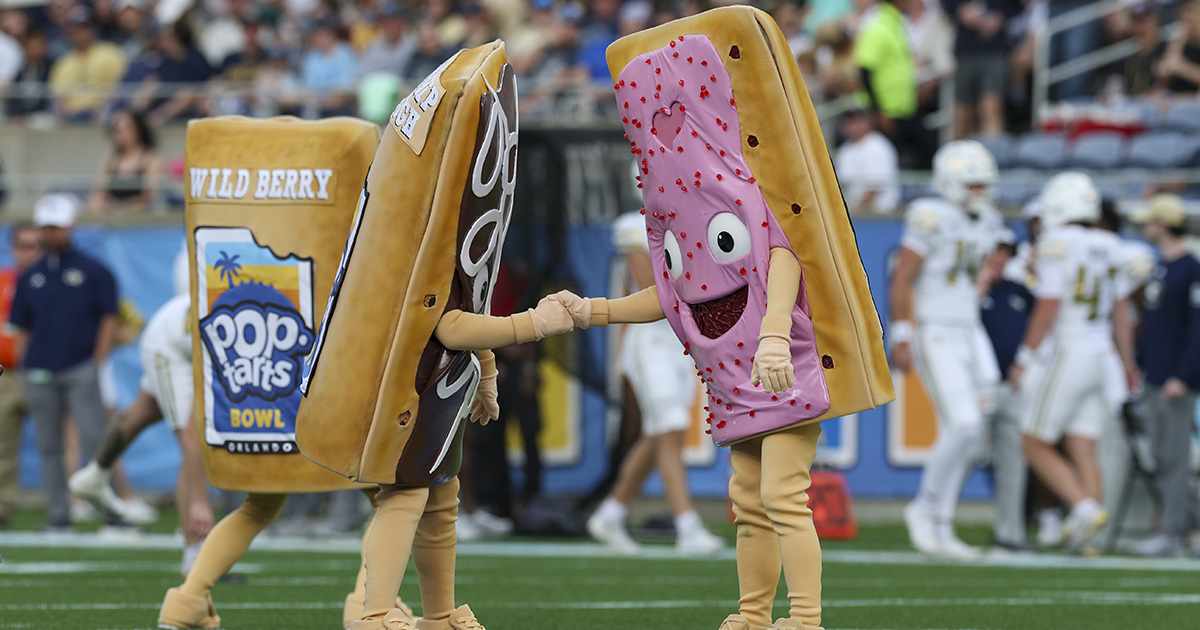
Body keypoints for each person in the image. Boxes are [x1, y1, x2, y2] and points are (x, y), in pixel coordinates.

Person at [1008, 172, 1138, 555]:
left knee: (1032, 442)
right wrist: (1127, 360)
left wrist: (1024, 356)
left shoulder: (1056, 242)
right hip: (1102, 357)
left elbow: (1049, 305)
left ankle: (1084, 508)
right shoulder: (1111, 244)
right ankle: (1091, 539)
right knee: (1083, 446)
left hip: (1070, 352)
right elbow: (1120, 309)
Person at [889, 140, 1005, 559]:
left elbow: (979, 272)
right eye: (972, 185)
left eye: (982, 185)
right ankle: (923, 508)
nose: (980, 192)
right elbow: (902, 279)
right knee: (965, 425)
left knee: (978, 434)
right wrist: (902, 333)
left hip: (970, 330)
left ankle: (942, 522)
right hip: (936, 328)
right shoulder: (930, 215)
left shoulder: (988, 221)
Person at [585, 210, 725, 556]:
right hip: (651, 342)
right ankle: (687, 525)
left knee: (658, 434)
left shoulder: (691, 214)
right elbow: (654, 289)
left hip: (681, 342)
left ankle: (610, 513)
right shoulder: (635, 225)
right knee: (670, 429)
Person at [69, 294, 214, 573]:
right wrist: (200, 502)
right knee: (193, 434)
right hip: (173, 344)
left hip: (178, 333)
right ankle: (196, 553)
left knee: (143, 411)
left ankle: (94, 473)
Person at [9, 194, 118, 531]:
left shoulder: (93, 270)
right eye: (46, 227)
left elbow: (109, 319)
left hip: (80, 367)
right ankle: (59, 515)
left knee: (95, 442)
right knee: (50, 445)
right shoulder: (30, 277)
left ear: (70, 227)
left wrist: (97, 360)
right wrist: (24, 363)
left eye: (56, 226)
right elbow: (21, 325)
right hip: (40, 370)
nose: (50, 233)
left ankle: (108, 512)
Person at [1128, 194, 1200, 557]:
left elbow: (1196, 329)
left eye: (1150, 221)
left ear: (1163, 223)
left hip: (1175, 380)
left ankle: (1173, 532)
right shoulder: (1160, 267)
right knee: (1161, 455)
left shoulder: (1191, 269)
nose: (1145, 226)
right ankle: (1188, 523)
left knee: (1173, 457)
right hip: (1155, 376)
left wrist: (1184, 375)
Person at [977, 231, 1032, 553]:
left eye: (1005, 253)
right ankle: (937, 520)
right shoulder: (965, 291)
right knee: (968, 450)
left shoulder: (1018, 292)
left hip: (1013, 387)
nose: (1000, 258)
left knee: (1014, 460)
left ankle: (1010, 534)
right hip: (977, 387)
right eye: (994, 251)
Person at [854, 0, 933, 168]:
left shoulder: (895, 24)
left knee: (923, 153)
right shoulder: (878, 27)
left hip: (904, 107)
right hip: (888, 112)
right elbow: (864, 72)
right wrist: (879, 112)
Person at [0, 224, 43, 527]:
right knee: (3, 445)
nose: (29, 252)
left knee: (60, 443)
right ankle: (3, 506)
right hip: (7, 374)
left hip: (46, 372)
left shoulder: (51, 281)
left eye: (34, 245)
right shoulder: (3, 280)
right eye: (23, 245)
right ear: (13, 248)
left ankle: (67, 507)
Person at [943, 0, 1023, 138]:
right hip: (966, 51)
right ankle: (959, 156)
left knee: (991, 108)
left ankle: (993, 154)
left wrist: (1001, 17)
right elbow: (948, 5)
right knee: (963, 113)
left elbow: (1018, 6)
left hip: (994, 50)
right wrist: (960, 11)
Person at [47, 5, 127, 122]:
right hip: (72, 115)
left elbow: (119, 88)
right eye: (76, 29)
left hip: (102, 113)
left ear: (93, 29)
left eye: (84, 28)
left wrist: (101, 112)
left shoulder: (111, 53)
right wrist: (62, 118)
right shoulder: (64, 62)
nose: (80, 33)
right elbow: (58, 96)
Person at [87, 107, 163, 213]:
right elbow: (98, 190)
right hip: (112, 217)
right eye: (116, 129)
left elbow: (151, 195)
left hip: (141, 218)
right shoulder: (111, 158)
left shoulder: (151, 157)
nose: (119, 133)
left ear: (138, 129)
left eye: (124, 128)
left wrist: (124, 209)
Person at [834, 107, 900, 214]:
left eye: (856, 122)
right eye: (849, 122)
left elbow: (875, 187)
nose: (852, 126)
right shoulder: (845, 149)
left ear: (868, 123)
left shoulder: (878, 146)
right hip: (853, 212)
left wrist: (856, 211)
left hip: (878, 215)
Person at [300, 20, 359, 118]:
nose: (316, 39)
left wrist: (318, 99)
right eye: (315, 35)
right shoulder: (312, 56)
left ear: (331, 35)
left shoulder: (345, 53)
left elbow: (345, 92)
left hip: (341, 109)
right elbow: (307, 88)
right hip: (317, 104)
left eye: (320, 35)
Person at [1156, 0, 1200, 95]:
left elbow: (1177, 66)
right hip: (1173, 96)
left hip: (1192, 97)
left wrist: (1182, 68)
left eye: (1191, 18)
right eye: (1184, 19)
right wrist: (1178, 41)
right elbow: (1165, 70)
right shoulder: (1179, 39)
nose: (1188, 23)